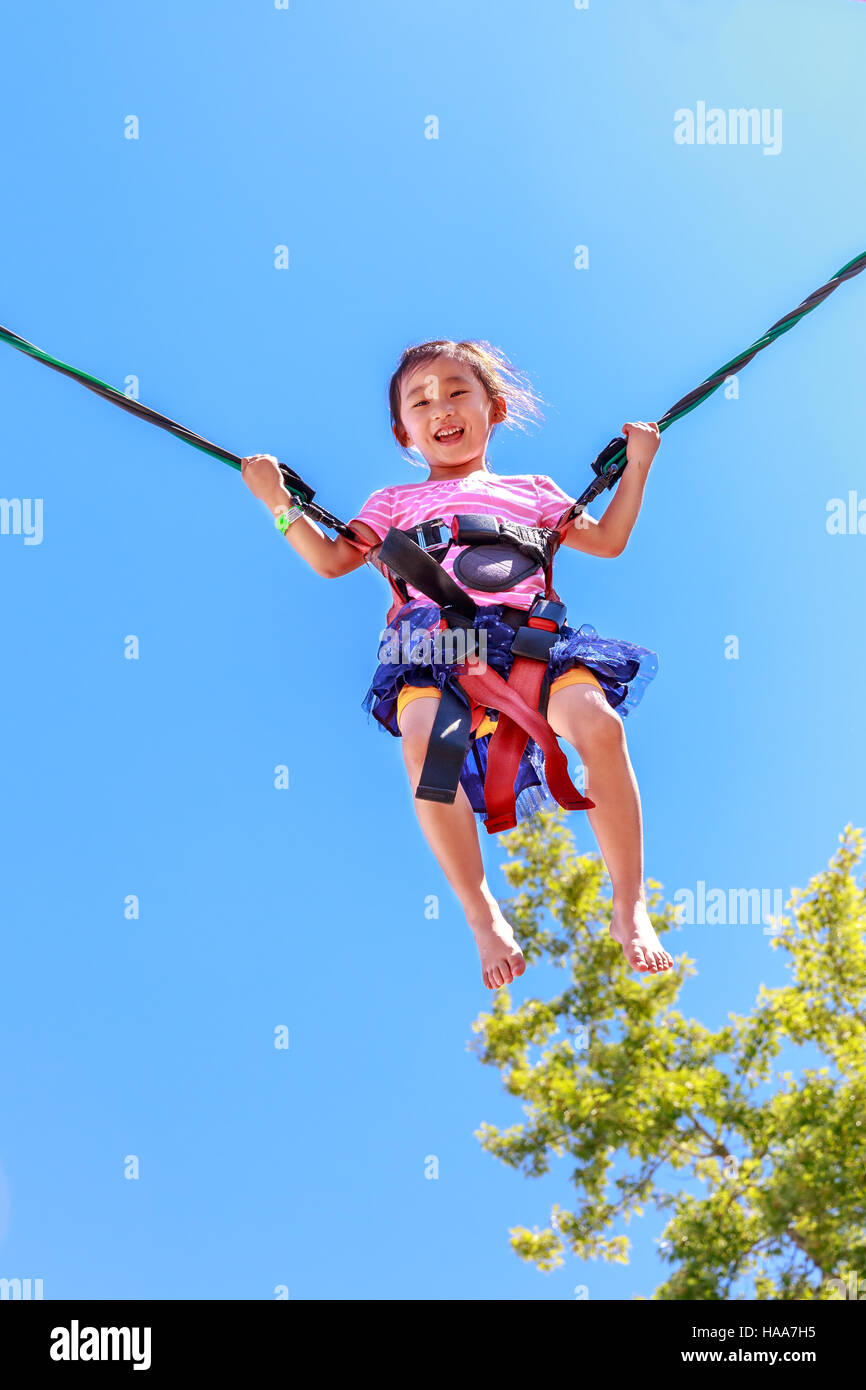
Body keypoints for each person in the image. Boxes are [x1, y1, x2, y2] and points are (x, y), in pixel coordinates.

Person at [241, 339, 674, 990]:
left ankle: (630, 904)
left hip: (529, 639)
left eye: (455, 392)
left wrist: (637, 466)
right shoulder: (390, 504)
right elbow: (332, 560)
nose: (439, 407)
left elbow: (607, 542)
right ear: (403, 432)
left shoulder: (534, 491)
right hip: (437, 642)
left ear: (492, 408)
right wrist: (277, 501)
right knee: (426, 747)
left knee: (599, 725)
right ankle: (480, 912)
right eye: (420, 401)